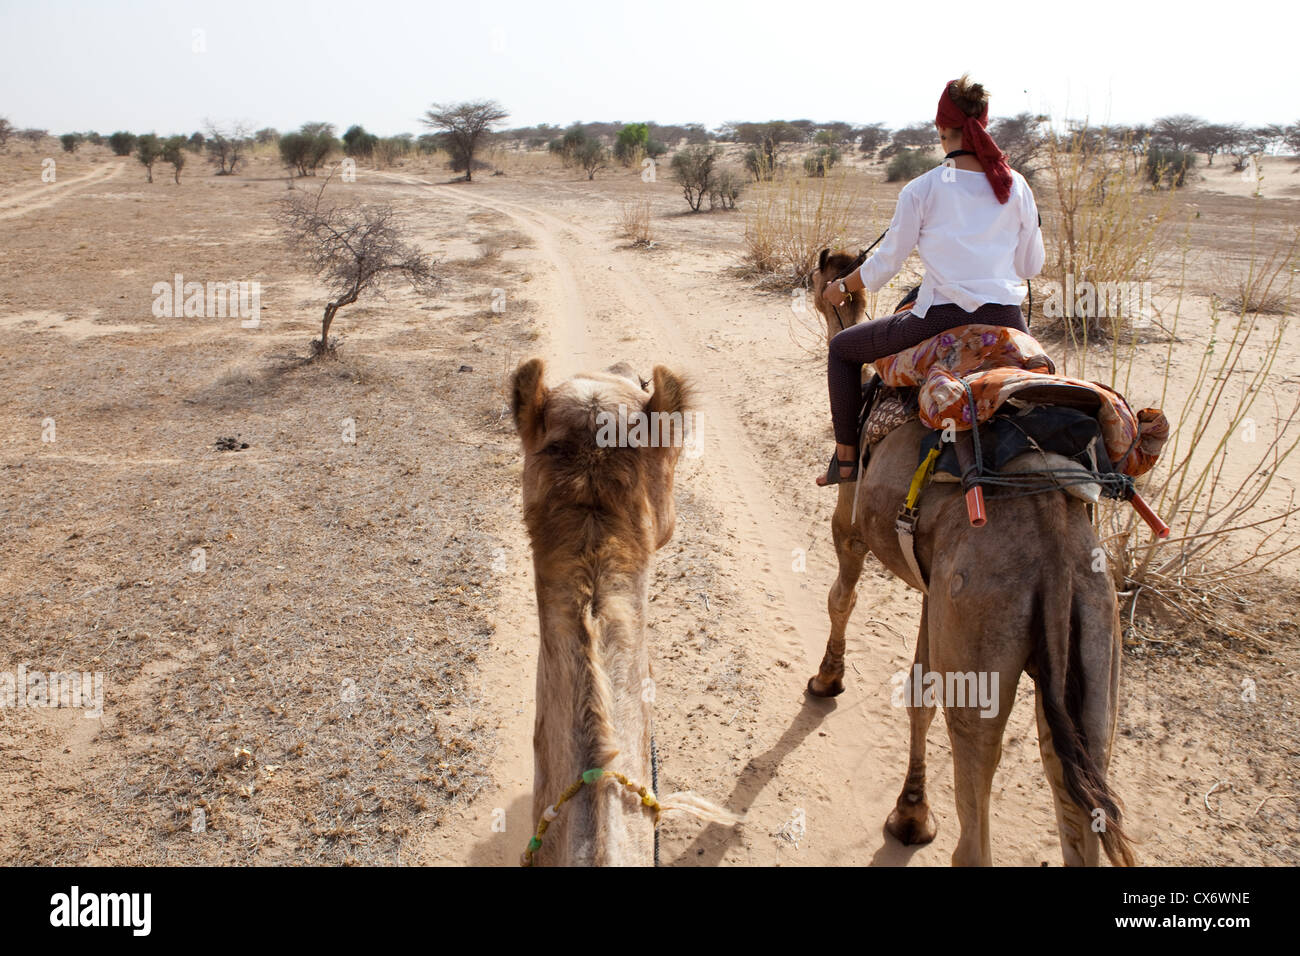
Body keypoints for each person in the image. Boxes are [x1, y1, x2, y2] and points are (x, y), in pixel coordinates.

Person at [817, 74, 1045, 486]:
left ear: (942, 130)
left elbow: (886, 265)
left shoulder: (922, 189)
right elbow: (1030, 266)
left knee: (841, 350)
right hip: (1010, 322)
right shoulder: (1016, 186)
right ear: (983, 125)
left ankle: (846, 463)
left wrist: (843, 287)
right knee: (1045, 390)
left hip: (938, 320)